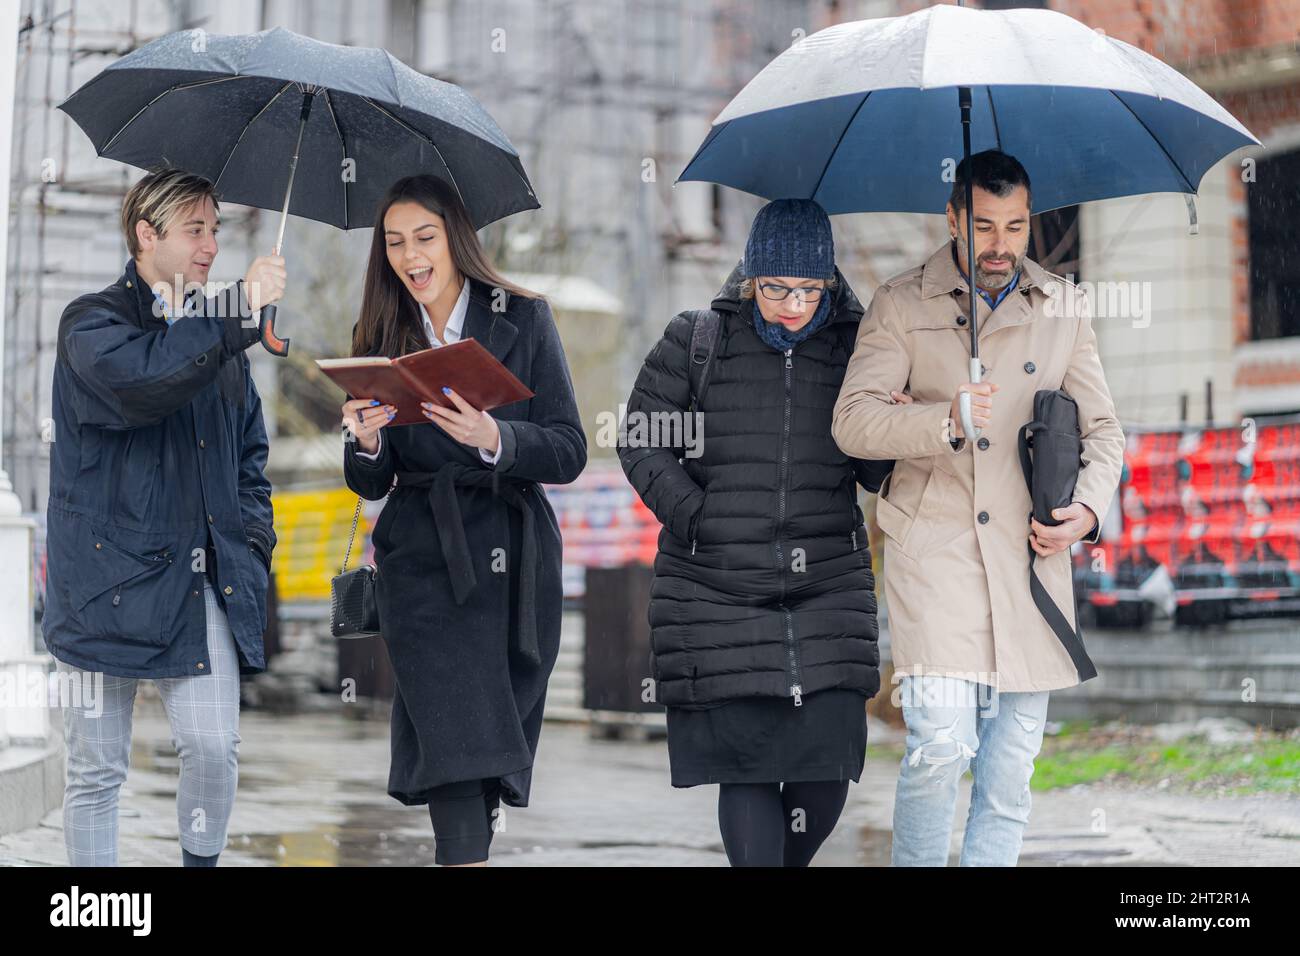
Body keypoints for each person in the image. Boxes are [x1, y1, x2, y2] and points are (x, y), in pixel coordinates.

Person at [832, 149, 1125, 866]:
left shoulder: (1063, 305)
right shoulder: (901, 303)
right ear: (954, 219)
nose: (1001, 245)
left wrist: (1085, 513)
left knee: (1009, 769)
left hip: (1030, 559)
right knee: (941, 743)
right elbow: (853, 421)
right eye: (986, 226)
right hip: (934, 551)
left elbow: (1103, 432)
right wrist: (944, 419)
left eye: (1017, 227)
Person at [619, 199, 892, 866]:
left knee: (825, 776)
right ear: (751, 278)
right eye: (776, 288)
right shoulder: (697, 339)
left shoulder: (859, 350)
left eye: (808, 289)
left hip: (825, 587)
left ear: (829, 283)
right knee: (745, 770)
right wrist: (698, 516)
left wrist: (894, 418)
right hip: (717, 591)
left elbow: (874, 471)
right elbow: (640, 438)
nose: (793, 305)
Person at [341, 174, 586, 867]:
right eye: (394, 243)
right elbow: (372, 480)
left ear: (456, 240)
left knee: (485, 758)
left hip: (512, 562)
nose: (410, 256)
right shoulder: (378, 336)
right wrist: (363, 441)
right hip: (422, 563)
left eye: (424, 238)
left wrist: (495, 438)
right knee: (452, 747)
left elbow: (569, 448)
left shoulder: (524, 317)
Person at [44, 166, 284, 866]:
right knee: (96, 772)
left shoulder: (222, 340)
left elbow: (250, 463)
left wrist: (252, 547)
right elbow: (145, 380)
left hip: (197, 579)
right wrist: (238, 311)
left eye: (215, 228)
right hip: (98, 586)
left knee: (213, 748)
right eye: (195, 229)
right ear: (147, 236)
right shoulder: (90, 323)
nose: (211, 244)